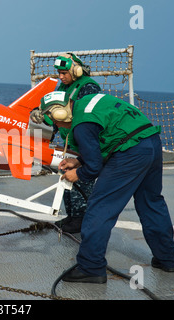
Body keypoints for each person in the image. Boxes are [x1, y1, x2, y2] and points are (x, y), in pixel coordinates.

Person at [38, 91, 174, 284]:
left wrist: (77, 174)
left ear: (61, 113)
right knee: (151, 202)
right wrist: (79, 161)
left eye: (55, 121)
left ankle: (91, 268)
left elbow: (94, 167)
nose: (58, 126)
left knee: (100, 208)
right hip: (150, 141)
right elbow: (108, 137)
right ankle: (167, 259)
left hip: (130, 152)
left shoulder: (81, 126)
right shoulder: (85, 103)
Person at [32, 53, 101, 233]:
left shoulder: (88, 87)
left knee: (81, 181)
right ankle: (72, 216)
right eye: (59, 73)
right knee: (67, 178)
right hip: (68, 142)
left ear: (76, 70)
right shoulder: (64, 86)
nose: (60, 77)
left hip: (83, 141)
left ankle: (81, 219)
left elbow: (86, 114)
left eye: (64, 73)